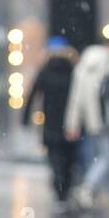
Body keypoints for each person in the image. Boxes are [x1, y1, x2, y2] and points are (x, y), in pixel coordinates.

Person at [63, 41, 109, 209]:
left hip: (92, 121)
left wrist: (72, 124)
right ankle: (88, 187)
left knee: (98, 156)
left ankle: (100, 191)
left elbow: (75, 100)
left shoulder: (81, 68)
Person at [22, 37, 79, 206]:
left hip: (51, 122)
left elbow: (33, 94)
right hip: (70, 121)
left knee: (55, 157)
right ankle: (65, 187)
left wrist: (25, 118)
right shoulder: (74, 70)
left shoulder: (45, 71)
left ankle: (59, 186)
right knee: (69, 157)